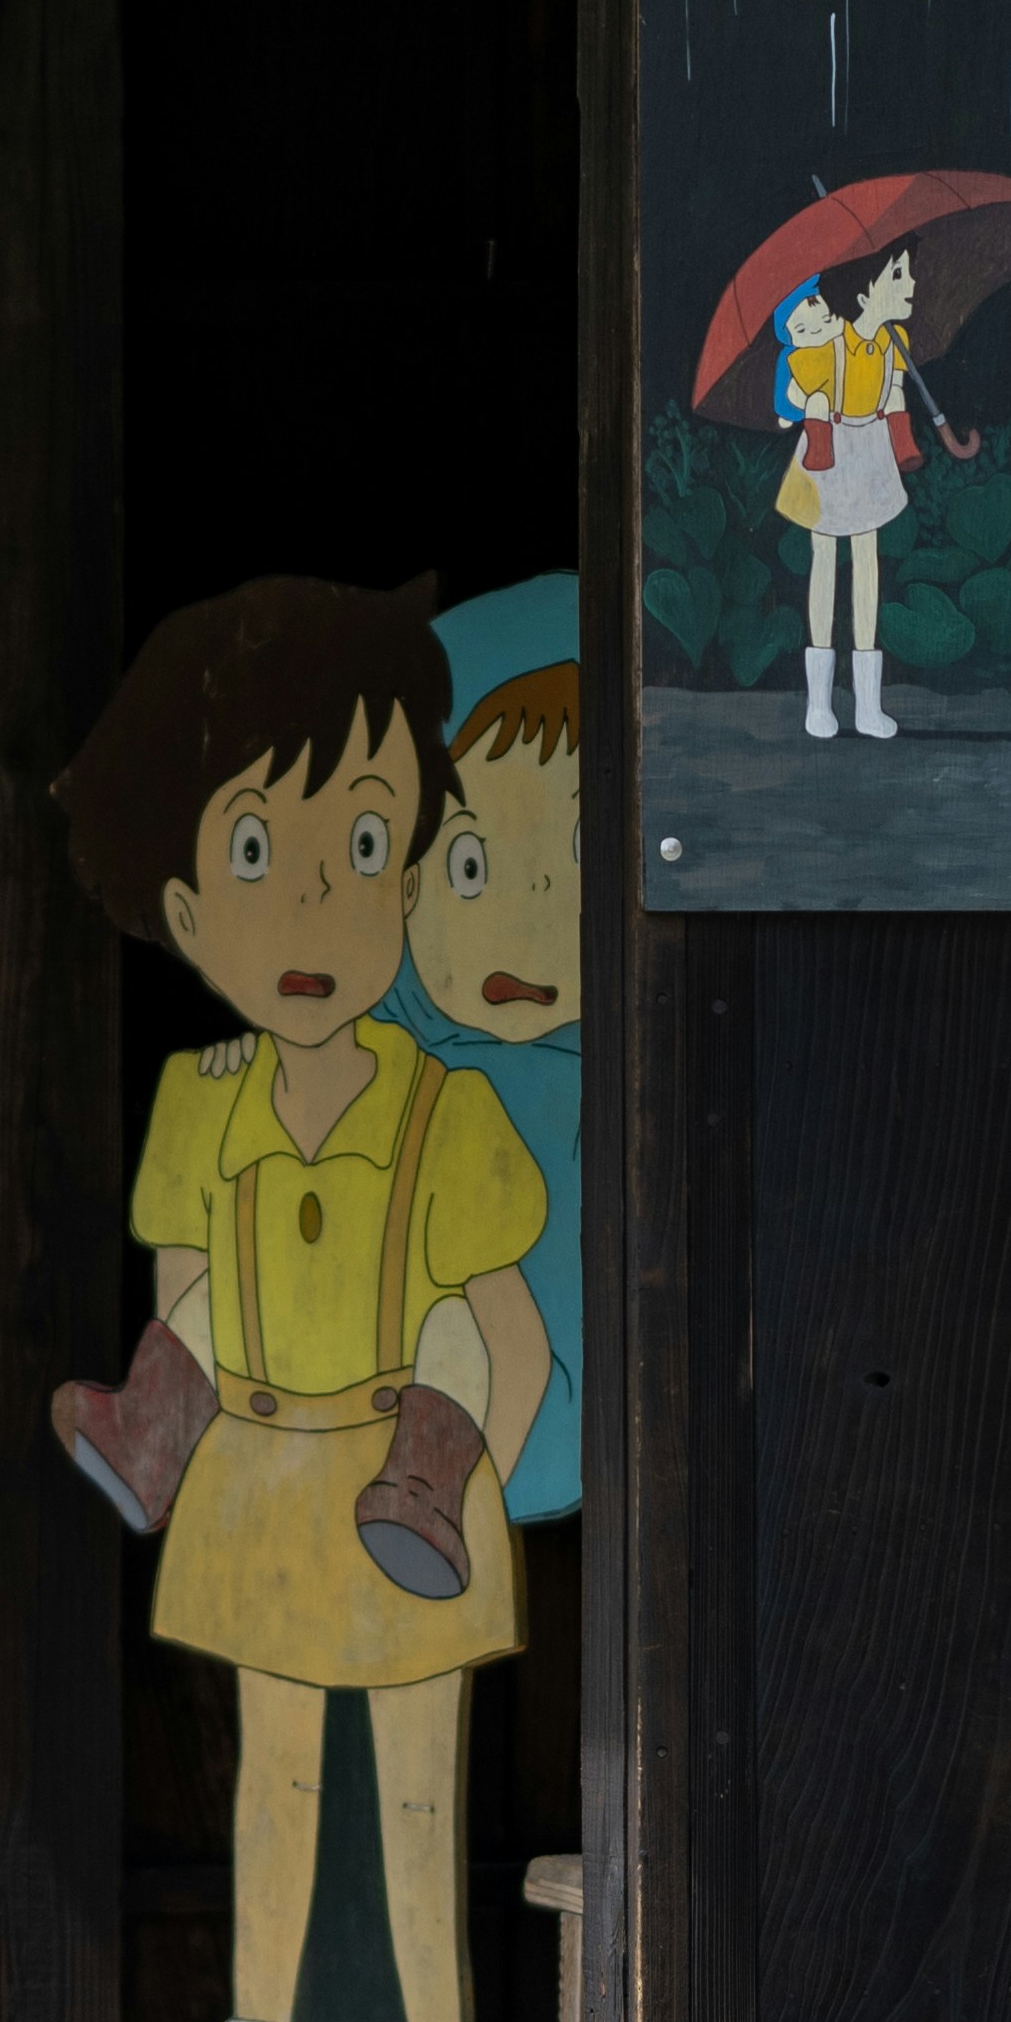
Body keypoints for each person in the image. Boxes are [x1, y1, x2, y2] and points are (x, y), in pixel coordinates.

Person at [41, 575, 553, 2022]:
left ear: (411, 879)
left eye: (362, 850)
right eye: (258, 856)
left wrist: (477, 1457)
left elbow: (509, 1327)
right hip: (261, 1469)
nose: (311, 909)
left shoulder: (449, 1106)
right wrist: (164, 1421)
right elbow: (186, 1293)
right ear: (188, 908)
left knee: (414, 1808)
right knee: (273, 1796)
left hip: (404, 1480)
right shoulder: (201, 1102)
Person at [382, 584, 594, 1525]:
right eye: (471, 866)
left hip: (577, 1419)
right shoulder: (386, 1062)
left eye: (584, 853)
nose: (523, 913)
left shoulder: (638, 1082)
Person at [777, 245, 922, 737]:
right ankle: (819, 702)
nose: (911, 285)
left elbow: (894, 394)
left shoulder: (893, 341)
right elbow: (794, 397)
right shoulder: (823, 349)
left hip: (872, 451)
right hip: (829, 452)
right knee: (824, 561)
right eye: (898, 274)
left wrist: (905, 436)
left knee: (868, 563)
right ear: (863, 292)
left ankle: (867, 705)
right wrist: (806, 399)